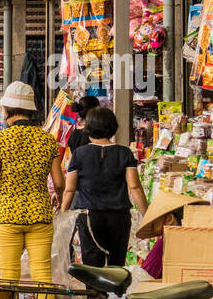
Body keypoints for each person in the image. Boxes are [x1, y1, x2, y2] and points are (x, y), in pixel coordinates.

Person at [0, 81, 65, 299]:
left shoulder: (2, 139)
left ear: (6, 110)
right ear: (30, 111)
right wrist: (58, 196)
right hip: (40, 214)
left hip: (8, 215)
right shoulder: (47, 139)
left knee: (9, 276)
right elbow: (60, 182)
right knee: (43, 275)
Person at [60, 106, 148, 267]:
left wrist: (62, 214)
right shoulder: (125, 153)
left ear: (89, 129)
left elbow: (70, 189)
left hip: (89, 217)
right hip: (118, 217)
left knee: (92, 268)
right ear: (113, 127)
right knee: (116, 266)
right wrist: (147, 215)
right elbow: (134, 187)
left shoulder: (79, 154)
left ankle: (95, 292)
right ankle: (114, 292)